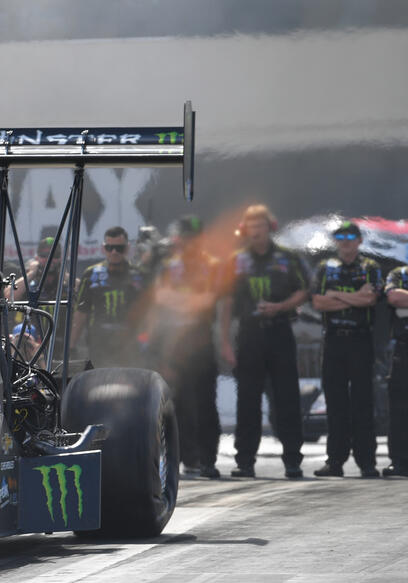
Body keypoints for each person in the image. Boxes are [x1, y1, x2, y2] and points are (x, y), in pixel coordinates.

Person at [219, 205, 310, 478]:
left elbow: (305, 290)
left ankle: (292, 460)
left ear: (270, 227)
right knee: (247, 400)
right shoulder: (236, 260)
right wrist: (224, 341)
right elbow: (226, 301)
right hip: (249, 335)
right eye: (251, 226)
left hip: (280, 331)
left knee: (287, 399)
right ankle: (245, 461)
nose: (256, 231)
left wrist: (280, 307)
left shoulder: (288, 257)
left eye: (260, 226)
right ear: (244, 230)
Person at [149, 215, 222, 478]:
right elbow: (160, 297)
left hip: (200, 341)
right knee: (175, 403)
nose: (189, 243)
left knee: (205, 403)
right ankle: (179, 459)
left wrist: (179, 300)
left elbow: (207, 301)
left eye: (193, 238)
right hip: (173, 342)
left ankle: (207, 460)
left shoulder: (213, 265)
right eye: (185, 238)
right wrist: (189, 302)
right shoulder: (168, 266)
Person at [310, 221, 383, 478]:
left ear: (359, 240)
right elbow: (318, 302)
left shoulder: (370, 267)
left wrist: (337, 296)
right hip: (334, 341)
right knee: (335, 402)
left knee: (363, 401)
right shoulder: (325, 267)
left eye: (351, 237)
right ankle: (335, 461)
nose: (345, 242)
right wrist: (354, 298)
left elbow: (370, 299)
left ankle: (367, 462)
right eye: (340, 237)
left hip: (360, 340)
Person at [70, 227, 148, 368]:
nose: (114, 252)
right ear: (103, 248)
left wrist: (146, 343)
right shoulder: (91, 274)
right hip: (99, 344)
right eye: (109, 247)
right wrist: (71, 346)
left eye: (119, 248)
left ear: (127, 248)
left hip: (129, 345)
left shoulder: (139, 275)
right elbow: (81, 313)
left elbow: (147, 313)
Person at [381, 263, 408, 478]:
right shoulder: (399, 274)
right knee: (399, 407)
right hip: (404, 348)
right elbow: (394, 298)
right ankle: (399, 461)